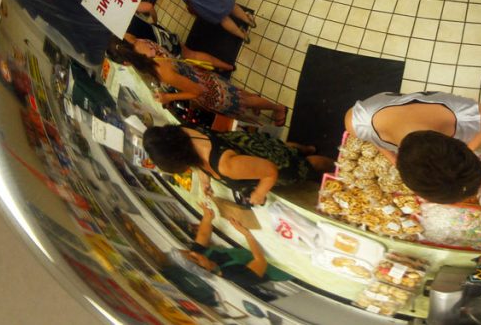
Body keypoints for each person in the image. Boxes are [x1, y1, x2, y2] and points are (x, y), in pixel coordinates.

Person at [343, 91, 481, 204]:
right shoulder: (359, 125)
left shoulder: (359, 124)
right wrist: (395, 161)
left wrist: (468, 150)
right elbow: (373, 139)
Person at [107, 37, 283, 125]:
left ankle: (277, 108)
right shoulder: (137, 41)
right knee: (238, 94)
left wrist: (169, 98)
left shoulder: (160, 69)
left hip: (209, 90)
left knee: (239, 101)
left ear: (126, 63)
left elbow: (197, 91)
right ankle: (257, 104)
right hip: (200, 74)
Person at [143, 125, 334, 206]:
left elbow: (270, 172)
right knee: (285, 148)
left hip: (272, 163)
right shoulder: (182, 132)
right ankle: (307, 147)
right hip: (249, 146)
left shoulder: (226, 167)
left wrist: (258, 195)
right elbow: (200, 158)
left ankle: (333, 166)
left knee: (304, 165)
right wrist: (205, 179)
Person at [177, 201, 291, 299]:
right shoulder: (234, 275)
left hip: (260, 247)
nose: (192, 252)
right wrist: (247, 234)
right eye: (193, 257)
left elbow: (203, 234)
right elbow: (260, 260)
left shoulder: (198, 254)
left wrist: (207, 217)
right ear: (204, 269)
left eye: (187, 252)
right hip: (280, 264)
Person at [124, 4, 234, 73]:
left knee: (185, 68)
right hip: (162, 36)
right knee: (192, 55)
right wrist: (154, 22)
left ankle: (210, 75)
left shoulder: (120, 33)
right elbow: (149, 7)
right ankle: (227, 66)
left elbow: (134, 45)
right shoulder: (123, 6)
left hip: (157, 51)